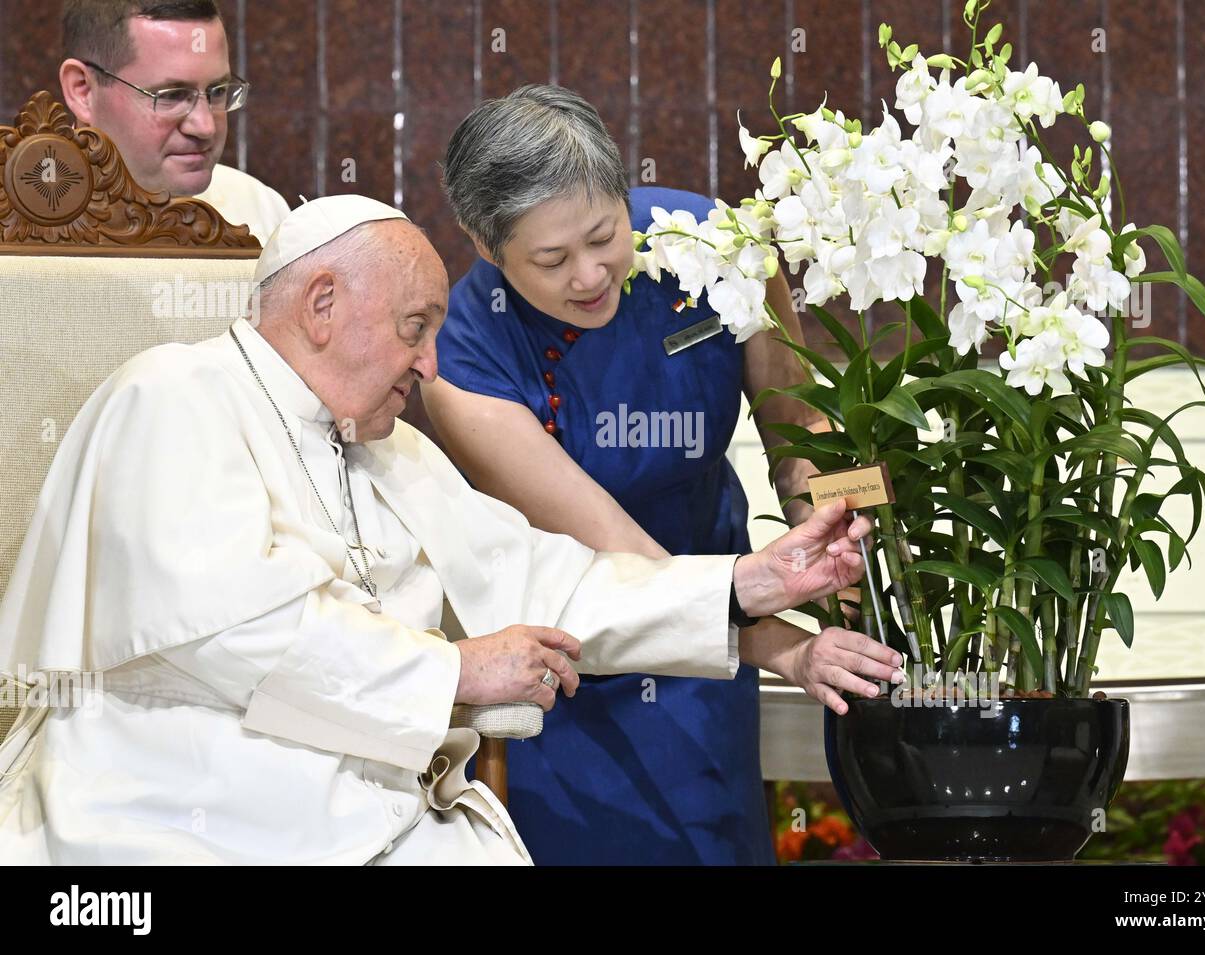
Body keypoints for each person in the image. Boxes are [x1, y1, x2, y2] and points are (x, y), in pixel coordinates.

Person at [0, 195, 894, 865]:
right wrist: (455, 669)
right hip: (176, 798)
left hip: (368, 798)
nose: (430, 362)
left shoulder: (390, 448)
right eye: (413, 328)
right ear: (320, 305)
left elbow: (550, 575)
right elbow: (234, 630)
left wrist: (747, 586)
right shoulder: (174, 393)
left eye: (602, 239)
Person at [428, 84, 894, 865]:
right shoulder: (465, 355)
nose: (589, 275)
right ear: (486, 248)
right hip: (565, 675)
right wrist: (784, 647)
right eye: (550, 259)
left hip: (715, 657)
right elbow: (610, 545)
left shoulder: (713, 246)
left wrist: (852, 542)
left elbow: (797, 424)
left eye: (604, 235)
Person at [58, 0, 289, 243]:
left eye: (218, 91)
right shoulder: (22, 223)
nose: (205, 126)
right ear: (82, 91)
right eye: (171, 96)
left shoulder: (261, 212)